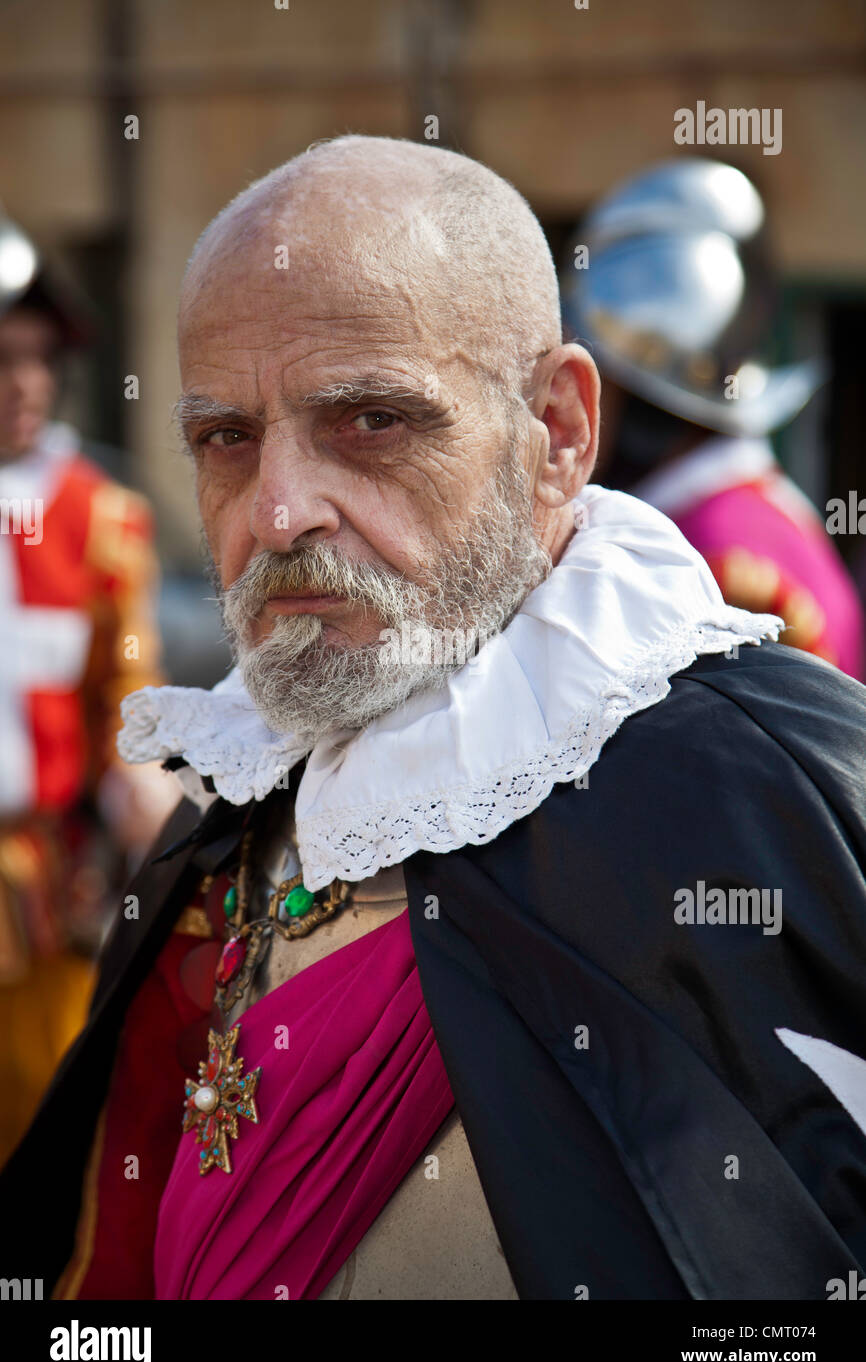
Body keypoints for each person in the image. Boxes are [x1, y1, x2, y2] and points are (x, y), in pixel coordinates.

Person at [3, 137, 865, 1301]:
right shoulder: (228, 807)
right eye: (227, 438)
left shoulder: (785, 795)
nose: (279, 510)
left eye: (370, 421)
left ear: (555, 432)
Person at [0, 211, 175, 1166]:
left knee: (53, 1142)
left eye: (36, 357)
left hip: (43, 885)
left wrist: (136, 774)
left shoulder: (100, 517)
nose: (22, 381)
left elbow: (129, 679)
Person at [562, 158, 864, 681]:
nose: (568, 405)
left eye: (594, 376)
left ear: (648, 410)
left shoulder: (706, 557)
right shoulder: (728, 519)